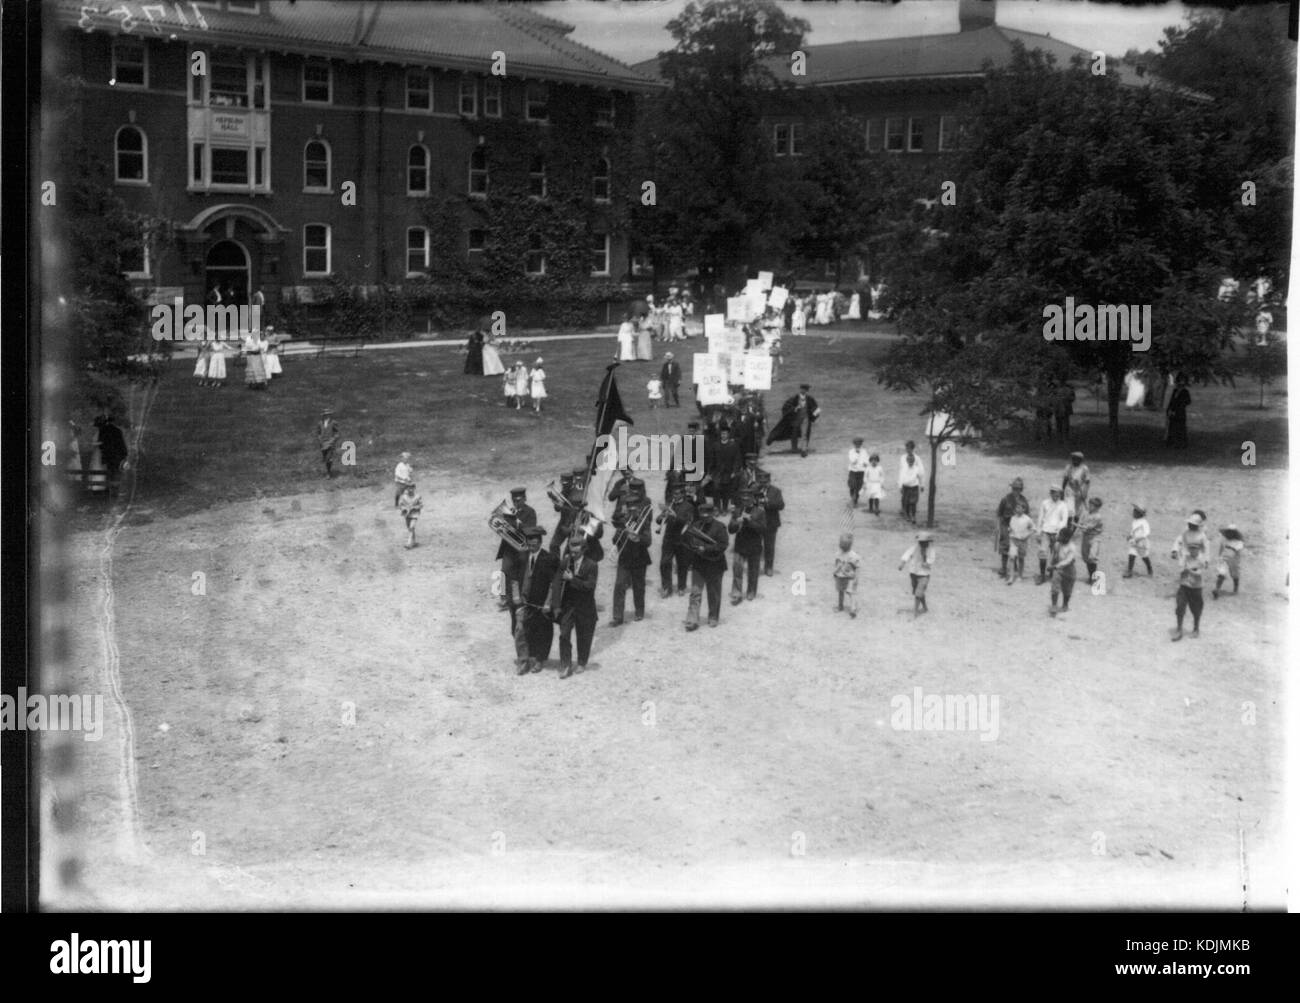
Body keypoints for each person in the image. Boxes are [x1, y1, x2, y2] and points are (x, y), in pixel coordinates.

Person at [551, 530, 599, 679]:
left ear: (583, 550)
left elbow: (590, 586)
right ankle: (566, 665)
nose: (573, 554)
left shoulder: (592, 565)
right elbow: (557, 583)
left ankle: (582, 662)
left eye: (576, 552)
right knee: (564, 635)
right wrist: (556, 605)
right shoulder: (565, 562)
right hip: (568, 606)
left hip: (585, 607)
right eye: (571, 551)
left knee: (584, 637)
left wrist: (572, 580)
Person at [512, 527, 558, 674]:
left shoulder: (549, 559)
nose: (531, 548)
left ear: (540, 543)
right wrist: (516, 596)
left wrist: (548, 602)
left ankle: (539, 660)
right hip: (523, 603)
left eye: (534, 545)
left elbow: (553, 584)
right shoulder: (521, 557)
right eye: (529, 545)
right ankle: (523, 661)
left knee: (542, 632)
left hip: (541, 605)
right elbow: (514, 579)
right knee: (520, 630)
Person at [610, 479, 653, 626]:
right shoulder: (622, 523)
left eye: (634, 507)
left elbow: (648, 541)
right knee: (619, 586)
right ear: (626, 507)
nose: (632, 509)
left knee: (638, 586)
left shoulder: (644, 522)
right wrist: (621, 534)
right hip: (625, 558)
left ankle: (639, 611)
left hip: (640, 558)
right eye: (629, 507)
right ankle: (617, 616)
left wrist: (637, 538)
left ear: (638, 508)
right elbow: (615, 540)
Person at [683, 500, 729, 631]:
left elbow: (723, 545)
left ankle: (713, 617)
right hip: (699, 564)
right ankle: (692, 619)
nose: (705, 517)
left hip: (715, 564)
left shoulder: (720, 527)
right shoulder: (696, 525)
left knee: (713, 593)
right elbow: (689, 541)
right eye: (702, 514)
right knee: (695, 593)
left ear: (712, 514)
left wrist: (705, 548)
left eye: (707, 515)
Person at [497, 487, 537, 626]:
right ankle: (503, 598)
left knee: (521, 574)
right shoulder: (509, 512)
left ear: (524, 499)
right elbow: (502, 529)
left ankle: (520, 597)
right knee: (503, 571)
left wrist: (520, 524)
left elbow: (532, 530)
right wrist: (502, 523)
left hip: (522, 548)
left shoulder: (530, 512)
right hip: (509, 547)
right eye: (514, 500)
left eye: (518, 500)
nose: (516, 503)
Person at [728, 487, 767, 604]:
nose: (745, 501)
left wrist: (749, 521)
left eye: (747, 499)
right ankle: (736, 593)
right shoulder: (737, 511)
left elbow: (763, 529)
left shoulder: (760, 511)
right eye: (743, 499)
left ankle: (751, 591)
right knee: (737, 569)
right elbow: (730, 529)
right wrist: (736, 522)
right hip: (740, 545)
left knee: (753, 570)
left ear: (752, 498)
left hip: (754, 546)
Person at [658, 484, 696, 598]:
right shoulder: (670, 504)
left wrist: (675, 515)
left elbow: (687, 521)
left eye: (677, 494)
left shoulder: (689, 506)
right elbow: (659, 520)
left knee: (682, 564)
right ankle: (666, 587)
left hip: (682, 538)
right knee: (664, 563)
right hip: (669, 538)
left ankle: (681, 587)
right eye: (673, 494)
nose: (675, 496)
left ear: (682, 494)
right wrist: (661, 517)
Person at [1171, 536, 1209, 641]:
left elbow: (1199, 573)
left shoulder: (1202, 559)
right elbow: (1181, 569)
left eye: (1195, 548)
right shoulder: (1185, 558)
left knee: (1196, 609)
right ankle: (1179, 629)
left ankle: (1196, 629)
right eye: (1191, 548)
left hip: (1196, 588)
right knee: (1180, 607)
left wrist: (1188, 570)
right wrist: (1186, 569)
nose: (1193, 550)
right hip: (1184, 586)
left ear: (1199, 549)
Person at [768, 384, 820, 457]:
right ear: (800, 389)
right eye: (802, 389)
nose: (803, 391)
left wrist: (814, 415)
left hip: (805, 419)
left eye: (805, 389)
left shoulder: (809, 399)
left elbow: (816, 408)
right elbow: (786, 407)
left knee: (804, 433)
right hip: (796, 419)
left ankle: (803, 449)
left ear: (806, 391)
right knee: (794, 433)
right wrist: (794, 409)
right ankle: (794, 448)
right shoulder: (794, 398)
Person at [1035, 486, 1071, 584]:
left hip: (1056, 533)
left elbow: (1064, 520)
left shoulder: (1063, 505)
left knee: (1056, 555)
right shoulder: (1045, 503)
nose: (1056, 495)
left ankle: (1053, 574)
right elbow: (1040, 518)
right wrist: (1038, 531)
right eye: (1054, 493)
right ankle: (1042, 575)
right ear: (1050, 493)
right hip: (1046, 531)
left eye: (1058, 493)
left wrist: (1059, 532)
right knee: (1043, 553)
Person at [994, 477, 1028, 578]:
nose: (1016, 491)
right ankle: (1004, 568)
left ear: (1021, 489)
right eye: (1014, 488)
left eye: (1018, 489)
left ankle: (1015, 566)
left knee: (1017, 545)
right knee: (1005, 545)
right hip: (1006, 524)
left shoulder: (1024, 500)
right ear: (1011, 488)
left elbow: (1027, 514)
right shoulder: (1005, 499)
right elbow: (999, 513)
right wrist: (997, 526)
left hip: (1018, 526)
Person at [899, 531, 935, 617]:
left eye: (924, 542)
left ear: (928, 542)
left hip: (924, 575)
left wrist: (924, 556)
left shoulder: (931, 550)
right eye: (921, 542)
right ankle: (925, 607)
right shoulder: (915, 547)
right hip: (914, 573)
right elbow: (907, 554)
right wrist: (902, 564)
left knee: (918, 593)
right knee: (917, 592)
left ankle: (915, 612)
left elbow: (929, 562)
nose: (922, 544)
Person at [707, 423, 742, 509]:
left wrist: (734, 471)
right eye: (722, 434)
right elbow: (712, 460)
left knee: (726, 491)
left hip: (728, 472)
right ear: (720, 434)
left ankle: (725, 508)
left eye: (725, 434)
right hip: (717, 472)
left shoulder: (733, 445)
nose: (723, 435)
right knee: (716, 490)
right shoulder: (716, 445)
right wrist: (710, 472)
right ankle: (717, 508)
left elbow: (737, 460)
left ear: (728, 435)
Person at [756, 469, 783, 576]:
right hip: (757, 522)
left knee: (769, 546)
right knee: (756, 546)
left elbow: (781, 505)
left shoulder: (776, 491)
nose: (763, 485)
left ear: (769, 481)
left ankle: (769, 567)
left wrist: (768, 503)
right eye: (761, 482)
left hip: (771, 522)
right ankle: (755, 567)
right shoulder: (754, 490)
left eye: (765, 482)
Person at [1048, 525, 1078, 616]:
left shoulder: (1072, 547)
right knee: (1054, 587)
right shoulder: (1057, 544)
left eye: (1061, 535)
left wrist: (1056, 566)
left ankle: (1065, 605)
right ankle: (1054, 606)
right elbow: (1054, 555)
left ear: (1067, 537)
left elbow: (1068, 561)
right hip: (1058, 570)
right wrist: (1051, 564)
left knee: (1067, 590)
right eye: (1059, 534)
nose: (1059, 537)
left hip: (1069, 571)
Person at [1075, 496, 1104, 582]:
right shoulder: (1085, 513)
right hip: (1086, 537)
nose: (1090, 506)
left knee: (1092, 557)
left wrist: (1076, 525)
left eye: (1093, 506)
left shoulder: (1098, 516)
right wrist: (1077, 527)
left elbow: (1087, 527)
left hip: (1095, 537)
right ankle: (1091, 576)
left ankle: (1094, 578)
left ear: (1097, 507)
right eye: (1090, 504)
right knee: (1086, 557)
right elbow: (1081, 522)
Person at [833, 533, 862, 617]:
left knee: (851, 592)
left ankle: (853, 609)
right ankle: (840, 606)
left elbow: (857, 567)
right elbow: (837, 564)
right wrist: (835, 573)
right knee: (840, 591)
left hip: (849, 578)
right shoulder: (838, 554)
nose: (842, 546)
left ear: (849, 545)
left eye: (845, 545)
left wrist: (856, 577)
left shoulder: (853, 556)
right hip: (840, 576)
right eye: (841, 544)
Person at [1212, 525, 1245, 598]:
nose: (1230, 534)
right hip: (1224, 558)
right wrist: (1219, 557)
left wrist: (1236, 562)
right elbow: (1221, 547)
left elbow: (1238, 553)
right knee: (1221, 573)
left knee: (1235, 575)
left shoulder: (1238, 542)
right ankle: (1217, 589)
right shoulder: (1224, 539)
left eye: (1231, 533)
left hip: (1233, 559)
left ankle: (1235, 589)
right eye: (1229, 532)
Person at [1007, 499, 1035, 584]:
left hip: (1022, 541)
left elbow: (1033, 529)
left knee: (1021, 558)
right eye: (1016, 507)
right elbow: (1011, 527)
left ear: (1024, 509)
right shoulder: (1013, 518)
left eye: (1019, 508)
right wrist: (1009, 530)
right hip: (1013, 540)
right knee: (1012, 557)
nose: (1017, 509)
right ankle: (1011, 577)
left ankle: (1020, 575)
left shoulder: (1027, 519)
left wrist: (1026, 535)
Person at [898, 441, 925, 524]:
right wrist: (900, 485)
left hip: (914, 485)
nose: (908, 450)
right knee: (905, 500)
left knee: (913, 502)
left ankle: (912, 516)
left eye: (909, 448)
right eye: (907, 448)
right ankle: (905, 512)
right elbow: (901, 473)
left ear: (912, 448)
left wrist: (922, 484)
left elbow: (921, 473)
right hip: (906, 484)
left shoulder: (917, 458)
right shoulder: (903, 458)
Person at [1123, 504, 1154, 578]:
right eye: (1134, 511)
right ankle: (1129, 571)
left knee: (1144, 556)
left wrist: (1138, 539)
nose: (1133, 513)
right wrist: (1130, 535)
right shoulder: (1134, 521)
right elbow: (1133, 531)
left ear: (1140, 514)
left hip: (1142, 542)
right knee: (1131, 555)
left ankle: (1149, 568)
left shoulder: (1144, 522)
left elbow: (1146, 533)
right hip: (1134, 542)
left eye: (1135, 512)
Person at [1061, 451, 1090, 521]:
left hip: (1080, 491)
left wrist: (1084, 493)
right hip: (1070, 489)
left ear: (1081, 460)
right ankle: (1068, 525)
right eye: (1073, 459)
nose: (1074, 461)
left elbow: (1087, 481)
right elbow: (1065, 479)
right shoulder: (1068, 467)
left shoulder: (1084, 469)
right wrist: (1062, 491)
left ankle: (1075, 527)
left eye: (1077, 459)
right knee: (1069, 509)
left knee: (1077, 511)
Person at [1166, 374, 1191, 448]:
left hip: (1180, 413)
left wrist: (1178, 409)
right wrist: (1169, 410)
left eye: (1182, 381)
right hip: (1173, 412)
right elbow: (1171, 401)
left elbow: (1188, 401)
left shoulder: (1185, 392)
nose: (1180, 384)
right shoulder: (1175, 391)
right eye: (1179, 381)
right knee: (1172, 427)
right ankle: (1172, 442)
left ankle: (1181, 443)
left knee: (1180, 428)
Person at [316, 408, 342, 478]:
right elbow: (318, 432)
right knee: (325, 458)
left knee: (328, 458)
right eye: (325, 415)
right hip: (323, 443)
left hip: (330, 443)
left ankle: (328, 473)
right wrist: (319, 439)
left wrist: (333, 440)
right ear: (323, 415)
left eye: (328, 415)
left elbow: (337, 433)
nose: (327, 416)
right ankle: (328, 470)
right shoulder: (320, 423)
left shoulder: (333, 422)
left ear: (330, 415)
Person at [398, 482, 423, 549]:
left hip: (415, 514)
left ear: (414, 488)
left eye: (412, 488)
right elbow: (400, 505)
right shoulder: (403, 497)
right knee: (410, 528)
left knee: (411, 527)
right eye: (408, 488)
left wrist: (414, 507)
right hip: (407, 515)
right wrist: (404, 509)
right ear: (406, 488)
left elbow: (421, 505)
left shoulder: (417, 496)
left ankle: (408, 543)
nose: (410, 489)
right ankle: (414, 542)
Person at [847, 437, 869, 507]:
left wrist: (866, 463)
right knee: (852, 485)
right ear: (854, 444)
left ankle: (855, 500)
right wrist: (857, 454)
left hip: (861, 471)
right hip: (853, 470)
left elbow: (867, 459)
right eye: (856, 444)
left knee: (859, 486)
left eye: (859, 443)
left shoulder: (864, 451)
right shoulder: (851, 451)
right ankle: (852, 497)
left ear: (861, 444)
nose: (858, 445)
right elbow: (852, 461)